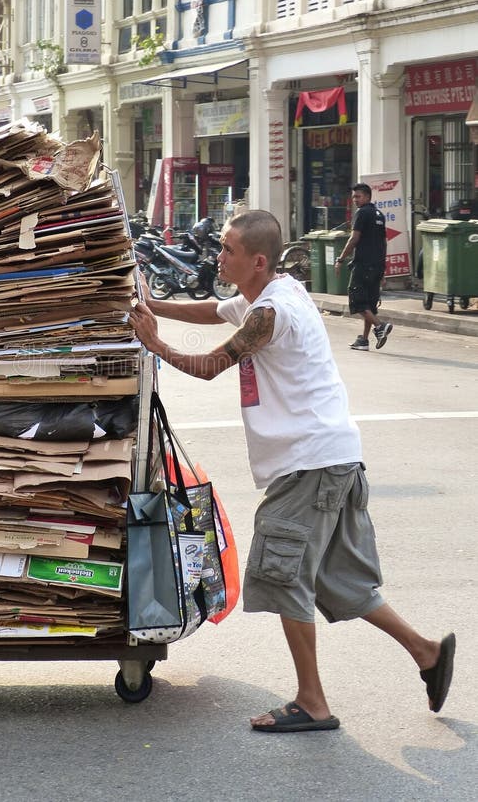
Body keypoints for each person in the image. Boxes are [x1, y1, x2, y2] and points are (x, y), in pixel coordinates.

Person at [129, 209, 455, 733]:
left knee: (280, 575)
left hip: (312, 463)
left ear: (257, 261)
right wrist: (153, 305)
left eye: (228, 250)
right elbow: (218, 311)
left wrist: (156, 344)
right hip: (329, 457)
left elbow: (213, 365)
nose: (219, 256)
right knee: (338, 580)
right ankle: (427, 652)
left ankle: (313, 703)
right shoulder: (272, 292)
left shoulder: (273, 313)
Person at [335, 183, 393, 351]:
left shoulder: (362, 213)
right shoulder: (379, 215)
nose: (355, 200)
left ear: (367, 197)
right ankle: (364, 340)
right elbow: (384, 243)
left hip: (363, 265)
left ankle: (380, 326)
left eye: (358, 196)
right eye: (353, 197)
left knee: (357, 300)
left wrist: (340, 259)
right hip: (377, 266)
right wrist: (383, 269)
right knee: (369, 304)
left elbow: (354, 239)